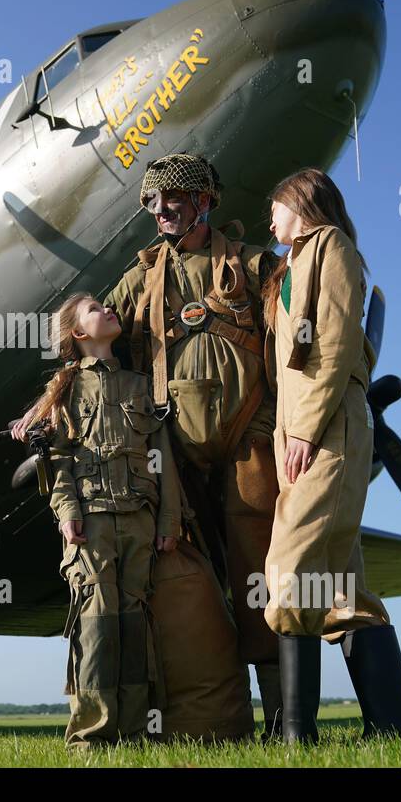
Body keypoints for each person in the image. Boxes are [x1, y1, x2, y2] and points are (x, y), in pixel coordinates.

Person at [102, 154, 284, 737]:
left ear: (203, 201)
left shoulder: (255, 265)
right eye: (152, 204)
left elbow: (312, 329)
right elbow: (87, 343)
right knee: (186, 586)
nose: (160, 213)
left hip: (249, 439)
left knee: (263, 578)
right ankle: (203, 719)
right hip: (172, 457)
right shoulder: (137, 280)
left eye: (172, 201)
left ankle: (286, 716)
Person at [261, 167, 401, 744]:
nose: (269, 219)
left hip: (324, 425)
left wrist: (306, 428)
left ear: (300, 203)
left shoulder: (333, 249)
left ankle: (298, 734)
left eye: (275, 207)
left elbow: (338, 343)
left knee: (291, 564)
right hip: (302, 429)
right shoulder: (291, 267)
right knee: (341, 584)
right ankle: (390, 727)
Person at [20, 292, 181, 749]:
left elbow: (162, 458)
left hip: (139, 520)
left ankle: (132, 733)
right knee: (95, 622)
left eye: (107, 306)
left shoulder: (142, 385)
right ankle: (91, 735)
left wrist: (168, 520)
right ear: (78, 333)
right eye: (95, 309)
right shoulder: (65, 388)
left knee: (134, 622)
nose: (107, 310)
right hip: (89, 521)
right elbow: (57, 458)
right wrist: (68, 513)